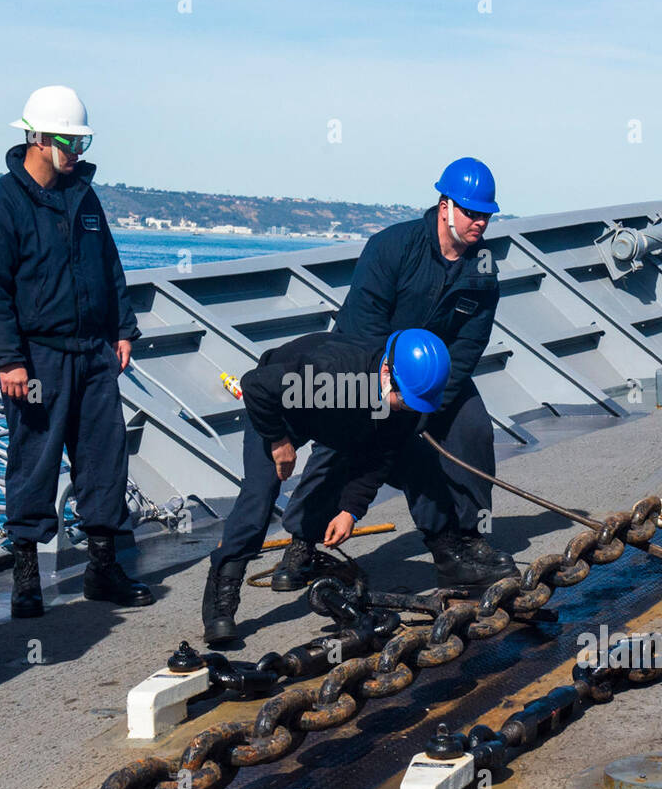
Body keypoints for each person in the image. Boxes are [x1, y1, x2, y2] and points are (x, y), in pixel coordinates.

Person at [268, 158, 517, 594]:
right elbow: (360, 330)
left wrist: (430, 399)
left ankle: (462, 542)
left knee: (472, 428)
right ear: (445, 206)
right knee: (341, 438)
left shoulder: (483, 272)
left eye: (486, 215)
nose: (480, 222)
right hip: (366, 366)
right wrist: (387, 394)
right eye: (471, 212)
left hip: (435, 378)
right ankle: (303, 542)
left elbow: (467, 349)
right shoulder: (391, 247)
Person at [0, 85, 152, 618]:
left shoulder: (84, 197)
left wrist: (123, 328)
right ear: (38, 137)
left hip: (93, 352)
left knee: (103, 459)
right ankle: (27, 577)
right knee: (34, 463)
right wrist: (8, 359)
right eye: (70, 140)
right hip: (38, 356)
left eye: (83, 140)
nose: (78, 151)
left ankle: (102, 568)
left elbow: (108, 265)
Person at [202, 328, 452, 644]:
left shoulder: (404, 403)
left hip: (337, 417)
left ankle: (300, 548)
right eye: (403, 400)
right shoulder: (332, 374)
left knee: (337, 466)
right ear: (386, 372)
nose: (407, 409)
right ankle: (222, 595)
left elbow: (378, 458)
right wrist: (280, 442)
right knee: (260, 493)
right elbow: (254, 386)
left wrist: (351, 510)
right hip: (279, 409)